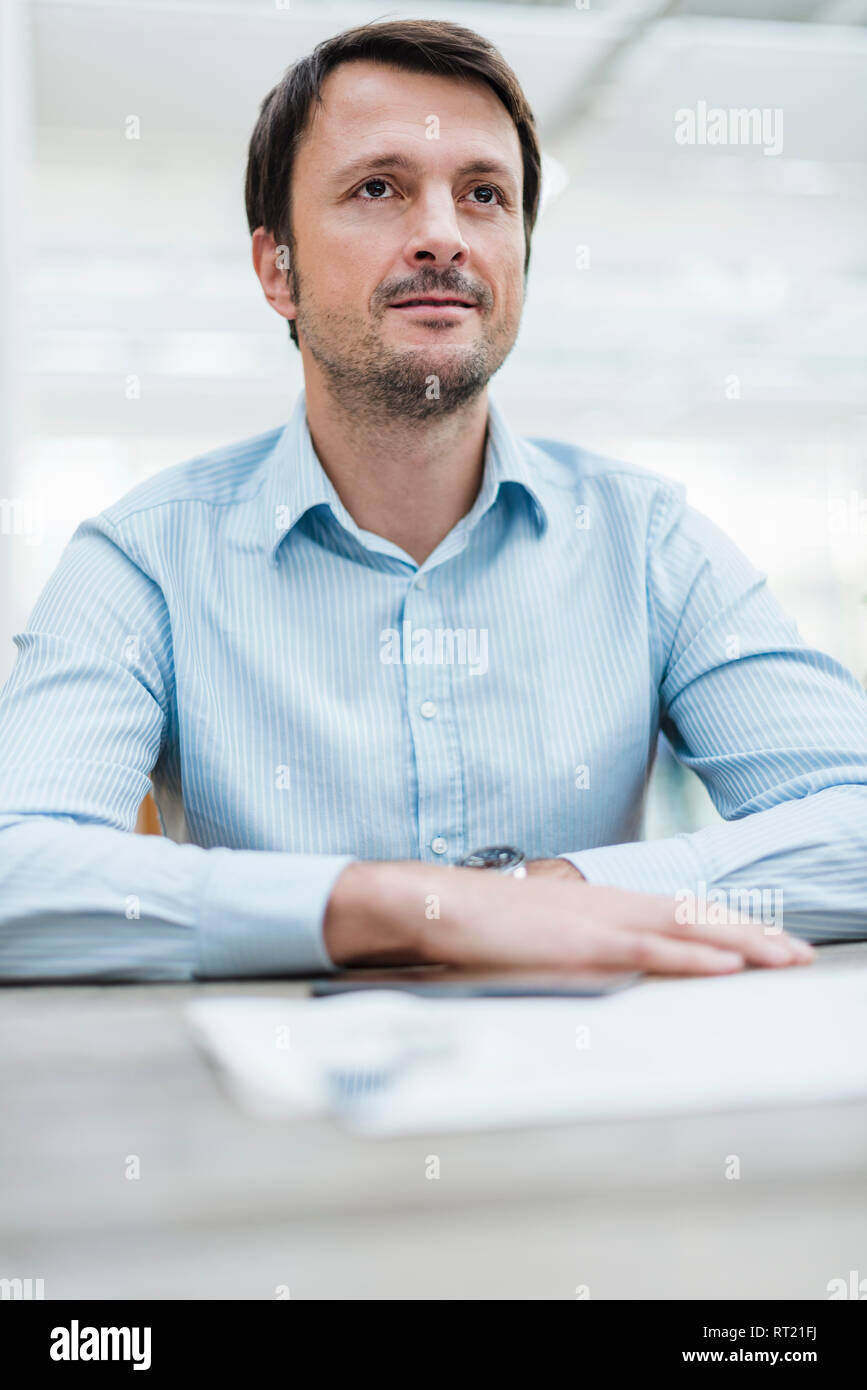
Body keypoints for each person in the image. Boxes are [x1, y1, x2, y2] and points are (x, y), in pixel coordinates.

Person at [2, 18, 865, 984]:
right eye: (378, 188)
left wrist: (559, 894)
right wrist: (394, 909)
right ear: (275, 270)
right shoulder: (144, 558)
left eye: (484, 195)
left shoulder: (649, 540)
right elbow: (15, 871)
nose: (443, 236)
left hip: (595, 1103)